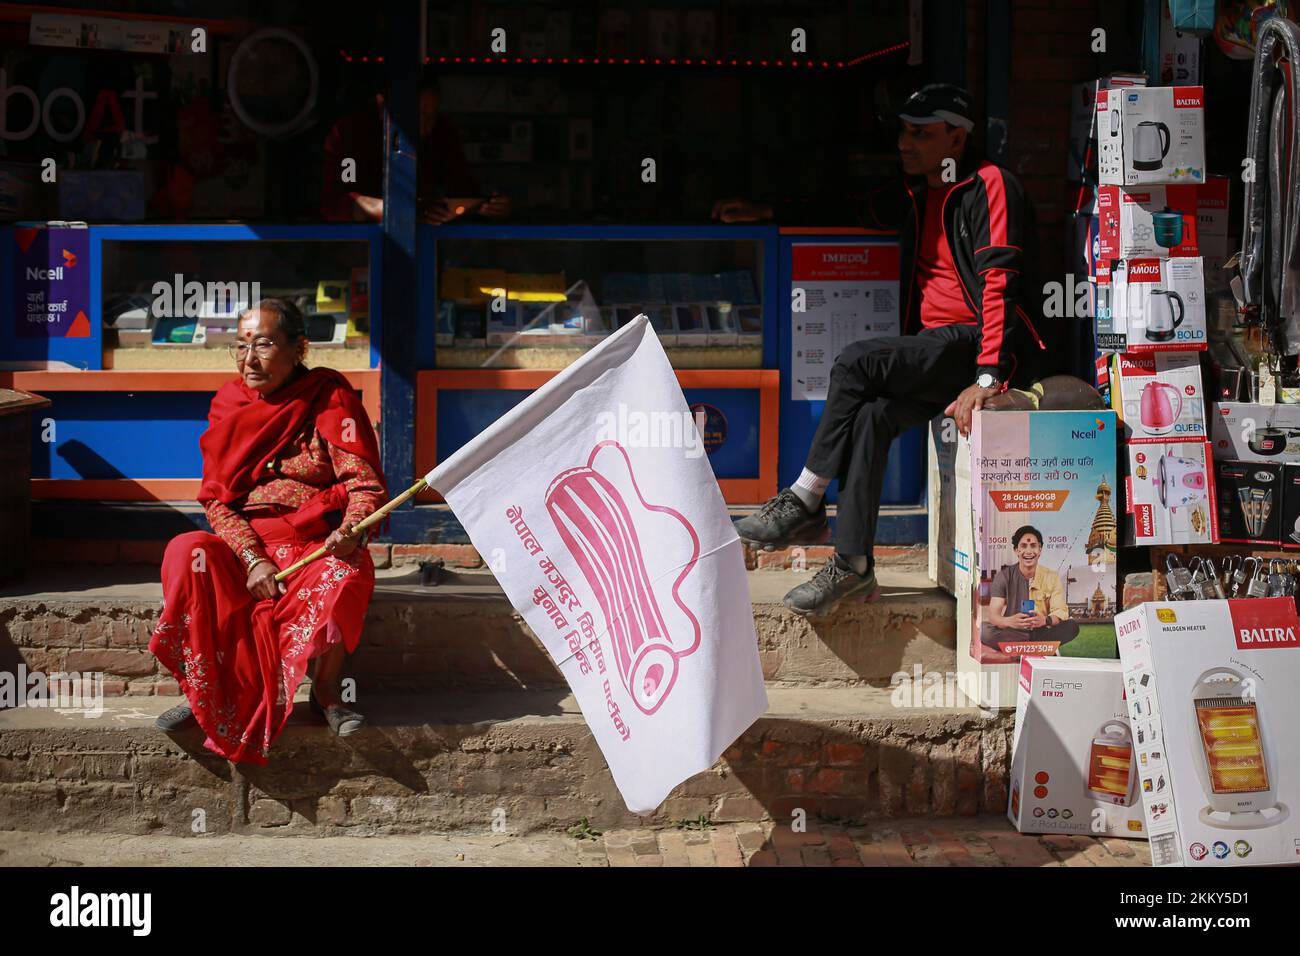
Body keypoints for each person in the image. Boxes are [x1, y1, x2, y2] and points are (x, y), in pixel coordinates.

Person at [724, 83, 1045, 617]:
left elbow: (1000, 283)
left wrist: (989, 376)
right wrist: (767, 210)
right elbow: (845, 207)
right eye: (903, 131)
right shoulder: (918, 190)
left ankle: (806, 497)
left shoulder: (991, 185)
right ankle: (853, 565)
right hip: (933, 350)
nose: (905, 142)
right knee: (870, 417)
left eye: (921, 133)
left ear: (958, 137)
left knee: (856, 361)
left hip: (972, 348)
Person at [150, 298, 387, 763]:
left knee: (349, 570)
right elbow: (217, 501)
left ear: (299, 348)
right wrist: (252, 558)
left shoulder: (330, 399)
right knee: (187, 550)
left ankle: (326, 692)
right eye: (240, 346)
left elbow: (364, 486)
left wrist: (351, 530)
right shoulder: (229, 404)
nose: (248, 359)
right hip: (245, 550)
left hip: (313, 549)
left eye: (263, 344)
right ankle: (207, 695)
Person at [320, 72, 511, 223]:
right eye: (416, 114)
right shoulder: (352, 132)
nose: (424, 126)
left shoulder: (442, 131)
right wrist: (404, 212)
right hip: (360, 247)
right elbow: (339, 203)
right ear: (382, 105)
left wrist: (487, 207)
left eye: (431, 116)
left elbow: (462, 192)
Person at [979, 526, 1080, 649]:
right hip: (1013, 632)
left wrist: (1045, 620)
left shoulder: (1052, 576)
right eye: (1023, 546)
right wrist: (1009, 621)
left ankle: (1020, 648)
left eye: (1033, 546)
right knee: (983, 630)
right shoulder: (1004, 576)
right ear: (1016, 550)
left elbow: (1061, 611)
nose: (1028, 551)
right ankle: (1036, 648)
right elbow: (994, 616)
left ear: (1040, 550)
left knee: (1072, 626)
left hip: (1042, 631)